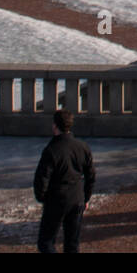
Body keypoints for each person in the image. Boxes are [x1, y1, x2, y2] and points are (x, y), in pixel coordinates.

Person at [33, 108, 95, 254]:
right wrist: (86, 197)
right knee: (72, 244)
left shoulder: (52, 150)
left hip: (56, 199)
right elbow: (91, 175)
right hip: (77, 198)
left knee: (46, 242)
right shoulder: (82, 147)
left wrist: (43, 198)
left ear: (55, 126)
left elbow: (41, 179)